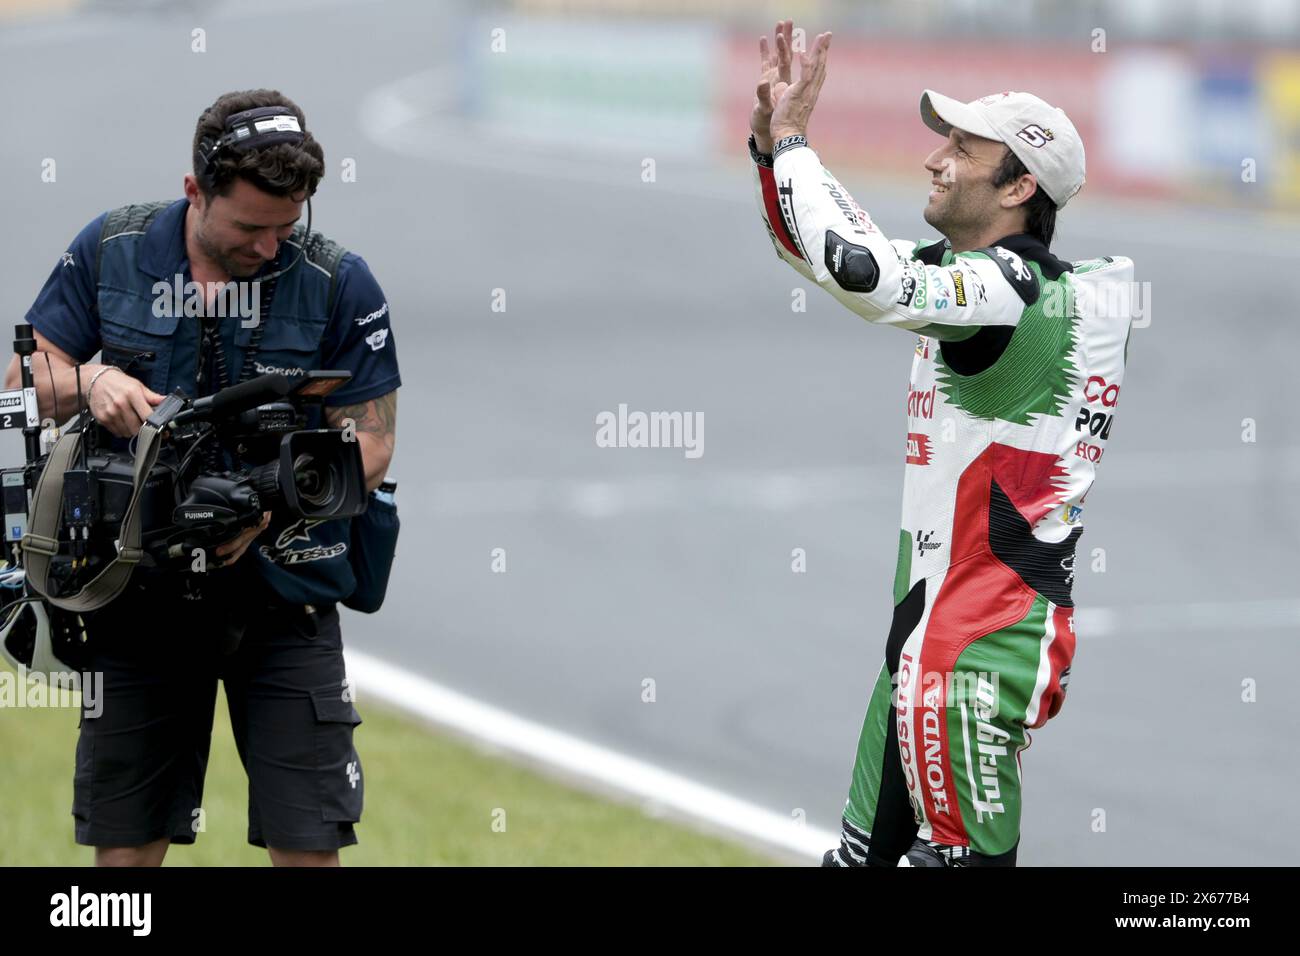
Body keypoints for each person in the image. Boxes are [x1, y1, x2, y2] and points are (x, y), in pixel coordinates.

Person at [748, 22, 1137, 866]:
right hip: (922, 643)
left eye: (961, 148)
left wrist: (795, 143)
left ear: (1018, 185)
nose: (934, 159)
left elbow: (858, 270)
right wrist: (767, 150)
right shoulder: (986, 282)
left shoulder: (1011, 292)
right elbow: (816, 253)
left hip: (976, 654)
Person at [5, 89, 400, 866]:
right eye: (250, 227)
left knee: (311, 844)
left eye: (288, 227)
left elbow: (375, 440)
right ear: (196, 191)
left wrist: (265, 504)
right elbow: (19, 379)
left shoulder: (338, 280)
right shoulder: (110, 250)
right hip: (135, 593)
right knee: (123, 853)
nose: (268, 247)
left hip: (284, 596)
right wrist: (88, 381)